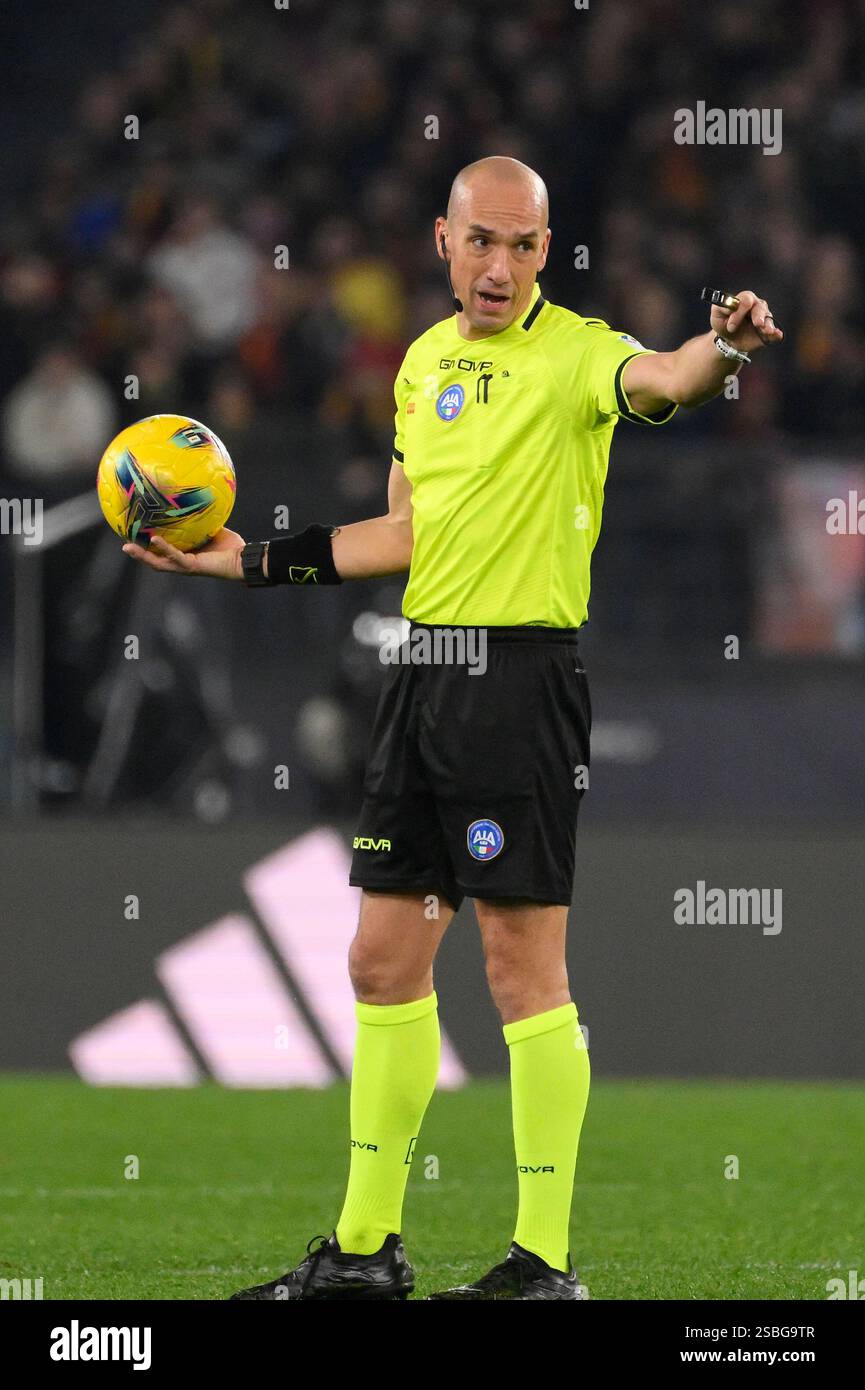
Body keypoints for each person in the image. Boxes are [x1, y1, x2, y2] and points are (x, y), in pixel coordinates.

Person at [123, 156, 782, 1300]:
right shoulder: (423, 362)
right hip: (421, 673)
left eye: (525, 245)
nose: (501, 265)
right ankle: (366, 1254)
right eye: (483, 240)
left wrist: (720, 349)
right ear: (442, 238)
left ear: (544, 251)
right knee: (381, 963)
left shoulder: (578, 353)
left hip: (519, 683)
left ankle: (542, 1265)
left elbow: (664, 381)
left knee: (521, 969)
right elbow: (404, 534)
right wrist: (251, 561)